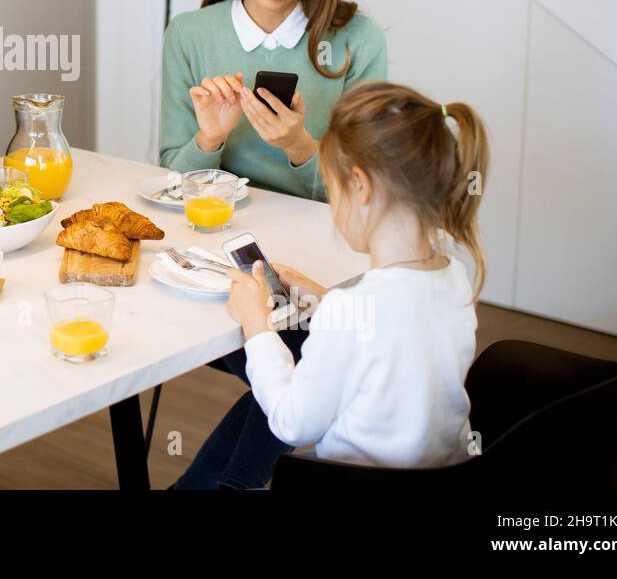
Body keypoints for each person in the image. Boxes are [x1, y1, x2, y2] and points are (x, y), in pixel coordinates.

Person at [175, 81, 489, 489]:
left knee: (283, 353)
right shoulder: (453, 275)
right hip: (447, 473)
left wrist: (256, 327)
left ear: (360, 187)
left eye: (333, 189)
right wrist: (327, 300)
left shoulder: (352, 310)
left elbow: (292, 424)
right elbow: (394, 330)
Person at [160, 0, 388, 202]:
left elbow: (363, 189)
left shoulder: (360, 40)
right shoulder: (189, 34)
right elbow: (172, 184)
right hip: (220, 226)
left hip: (318, 235)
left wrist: (300, 146)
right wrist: (209, 139)